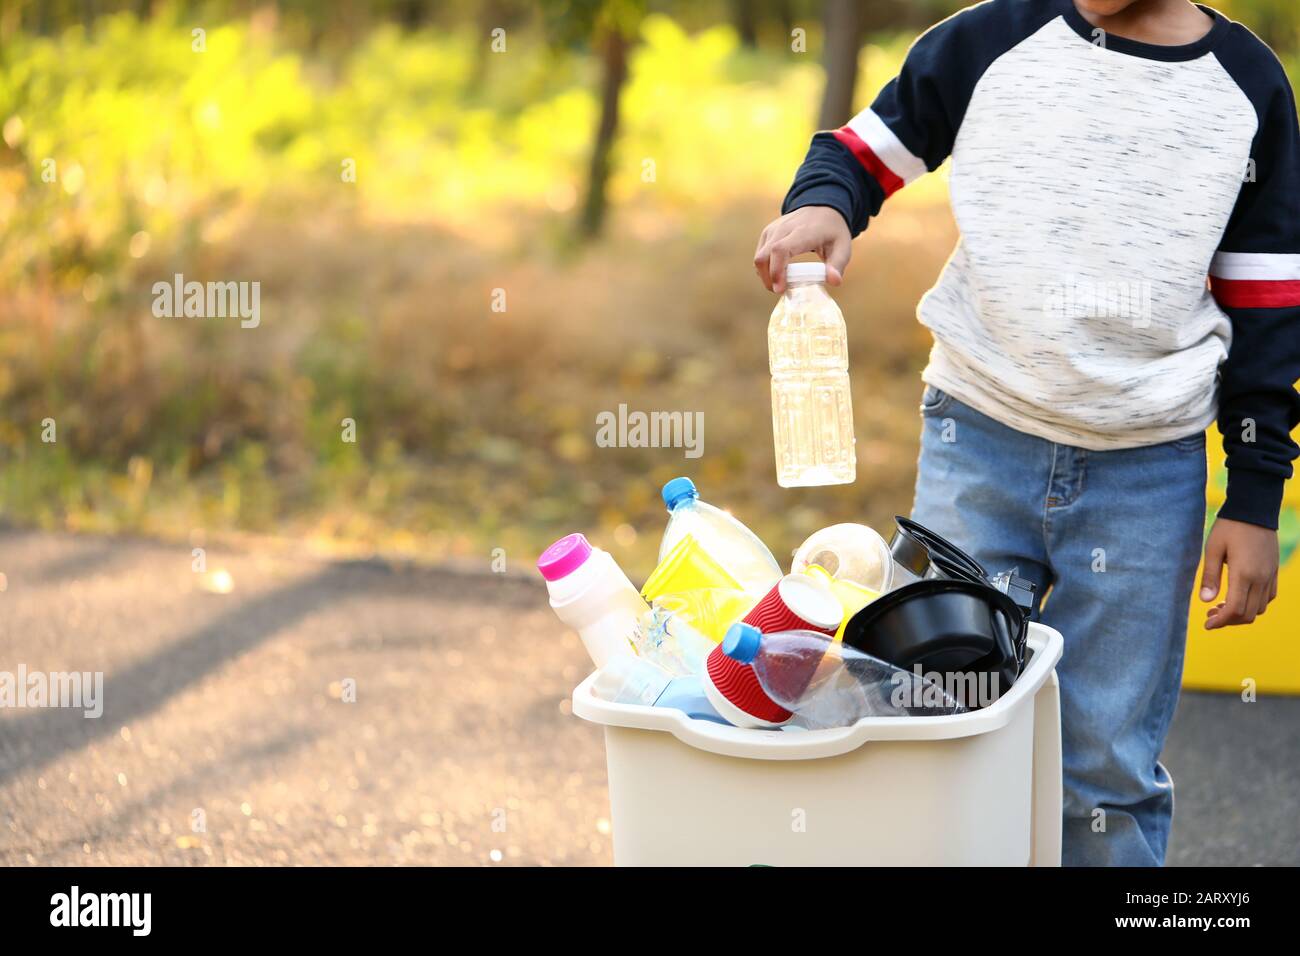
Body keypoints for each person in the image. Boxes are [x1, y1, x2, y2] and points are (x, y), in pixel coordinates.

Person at [755, 0, 1300, 865]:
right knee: (940, 720)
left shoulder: (1247, 88)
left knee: (1103, 767)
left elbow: (1268, 306)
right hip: (980, 443)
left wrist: (1256, 494)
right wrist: (826, 206)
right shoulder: (987, 40)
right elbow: (855, 154)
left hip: (1147, 476)